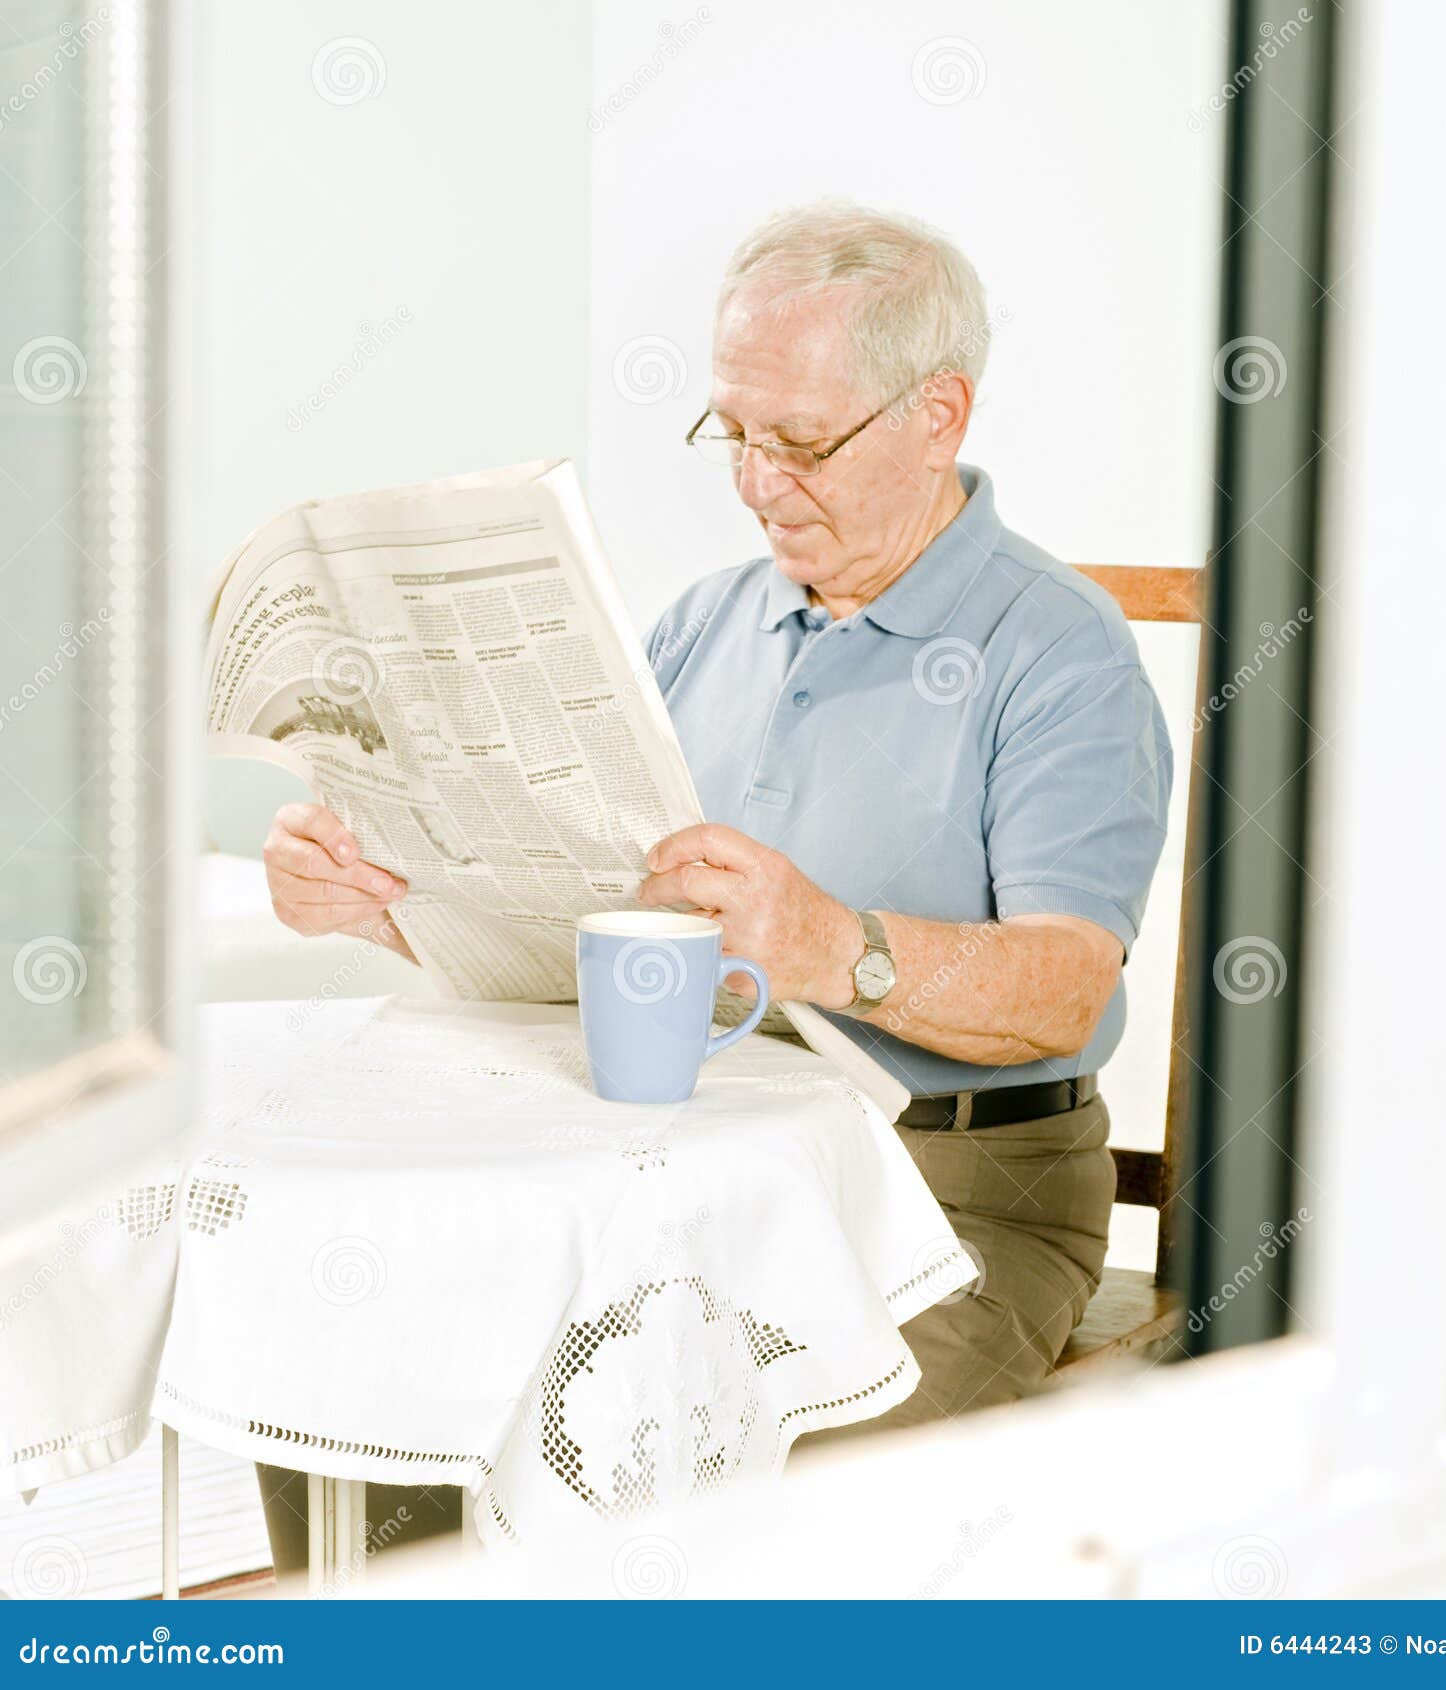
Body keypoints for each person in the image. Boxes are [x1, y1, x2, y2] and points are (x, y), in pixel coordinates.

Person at [258, 202, 1171, 1563]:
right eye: (733, 432)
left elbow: (1063, 986)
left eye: (799, 441)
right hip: (669, 1180)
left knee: (745, 1536)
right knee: (349, 1391)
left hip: (953, 1200)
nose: (755, 483)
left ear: (940, 415)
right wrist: (385, 896)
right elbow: (590, 921)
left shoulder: (1061, 651)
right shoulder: (705, 620)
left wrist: (832, 944)